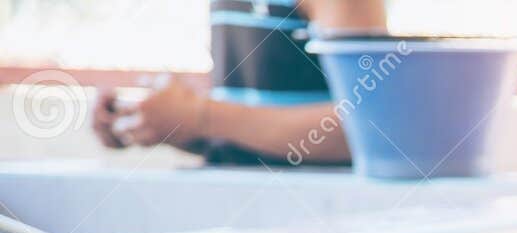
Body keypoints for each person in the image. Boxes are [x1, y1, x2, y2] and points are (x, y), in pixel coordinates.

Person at [92, 1, 385, 166]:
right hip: (240, 221)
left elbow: (372, 127)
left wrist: (202, 117)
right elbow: (243, 129)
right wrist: (159, 122)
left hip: (311, 231)